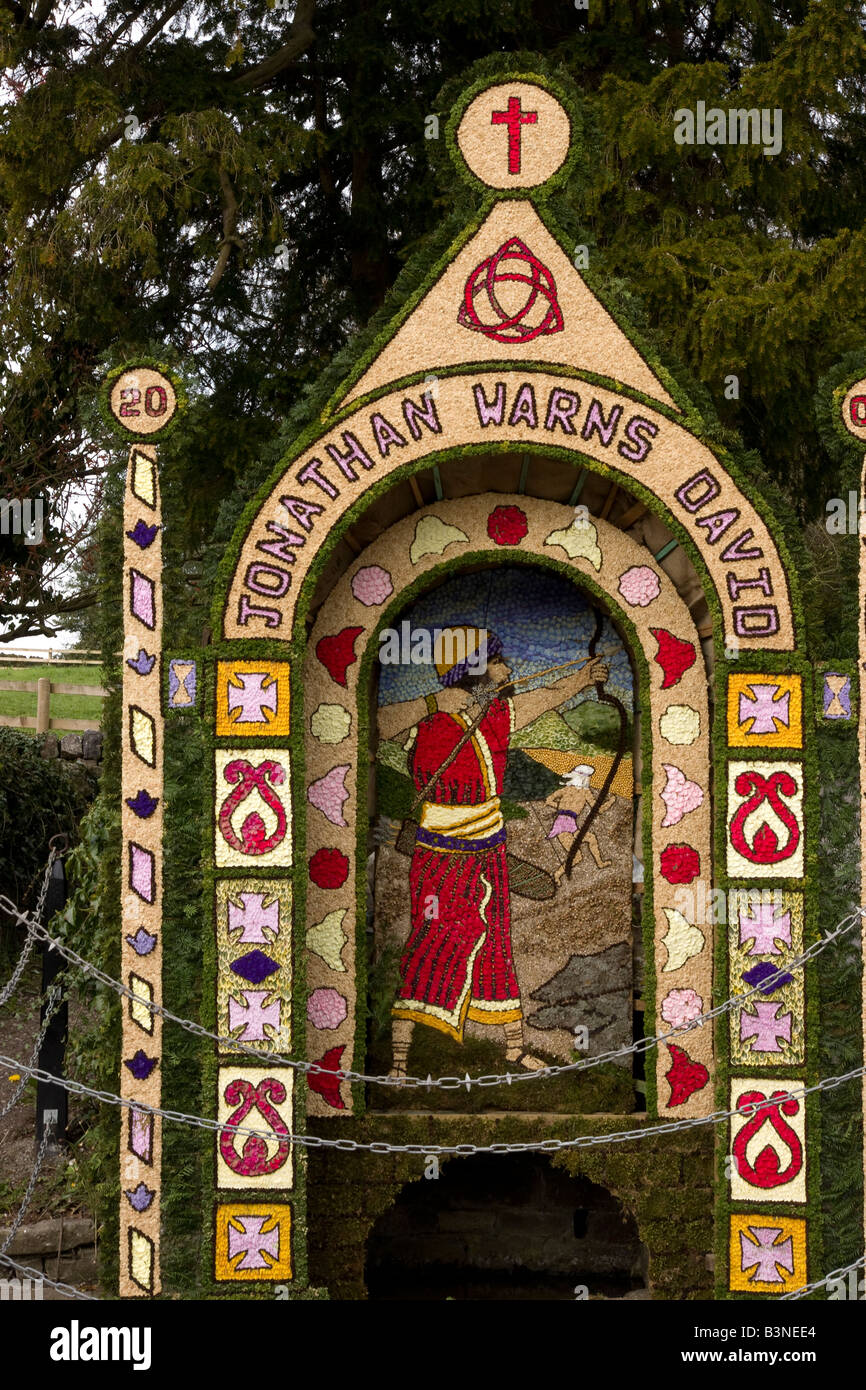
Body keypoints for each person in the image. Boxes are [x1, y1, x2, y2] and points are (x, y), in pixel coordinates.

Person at [377, 626, 608, 1078]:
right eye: (498, 662)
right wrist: (432, 703)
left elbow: (546, 695)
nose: (508, 669)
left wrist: (583, 679)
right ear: (475, 673)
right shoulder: (431, 721)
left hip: (490, 848)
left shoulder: (498, 715)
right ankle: (400, 1065)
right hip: (441, 853)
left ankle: (513, 1049)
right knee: (433, 939)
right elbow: (370, 726)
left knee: (497, 946)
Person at [545, 763, 613, 881]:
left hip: (572, 825)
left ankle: (600, 863)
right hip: (562, 825)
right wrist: (561, 809)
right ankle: (557, 874)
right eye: (588, 777)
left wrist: (610, 802)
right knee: (577, 857)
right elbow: (548, 800)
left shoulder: (584, 792)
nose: (589, 780)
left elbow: (598, 809)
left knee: (591, 838)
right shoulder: (567, 790)